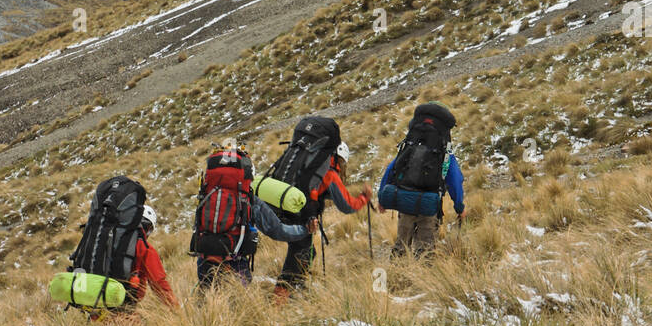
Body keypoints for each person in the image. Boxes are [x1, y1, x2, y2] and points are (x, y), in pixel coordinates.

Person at [193, 143, 315, 292]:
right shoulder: (249, 200)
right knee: (239, 308)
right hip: (234, 263)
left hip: (205, 259)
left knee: (207, 302)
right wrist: (305, 230)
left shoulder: (207, 195)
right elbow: (278, 230)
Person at [273, 134, 371, 297]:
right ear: (338, 158)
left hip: (285, 210)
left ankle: (297, 286)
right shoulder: (329, 172)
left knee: (307, 252)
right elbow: (347, 206)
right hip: (302, 217)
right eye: (343, 162)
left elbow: (316, 188)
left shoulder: (308, 166)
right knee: (300, 254)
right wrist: (363, 198)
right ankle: (279, 300)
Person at [379, 103, 465, 257]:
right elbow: (455, 181)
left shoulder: (409, 146)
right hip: (429, 205)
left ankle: (396, 276)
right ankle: (424, 278)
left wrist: (381, 198)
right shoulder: (444, 154)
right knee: (425, 250)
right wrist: (460, 207)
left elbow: (391, 169)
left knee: (401, 246)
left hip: (404, 201)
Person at [126, 204, 178, 307]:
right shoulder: (145, 248)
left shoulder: (111, 237)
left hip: (92, 296)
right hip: (122, 304)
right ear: (148, 228)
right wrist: (176, 309)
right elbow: (159, 283)